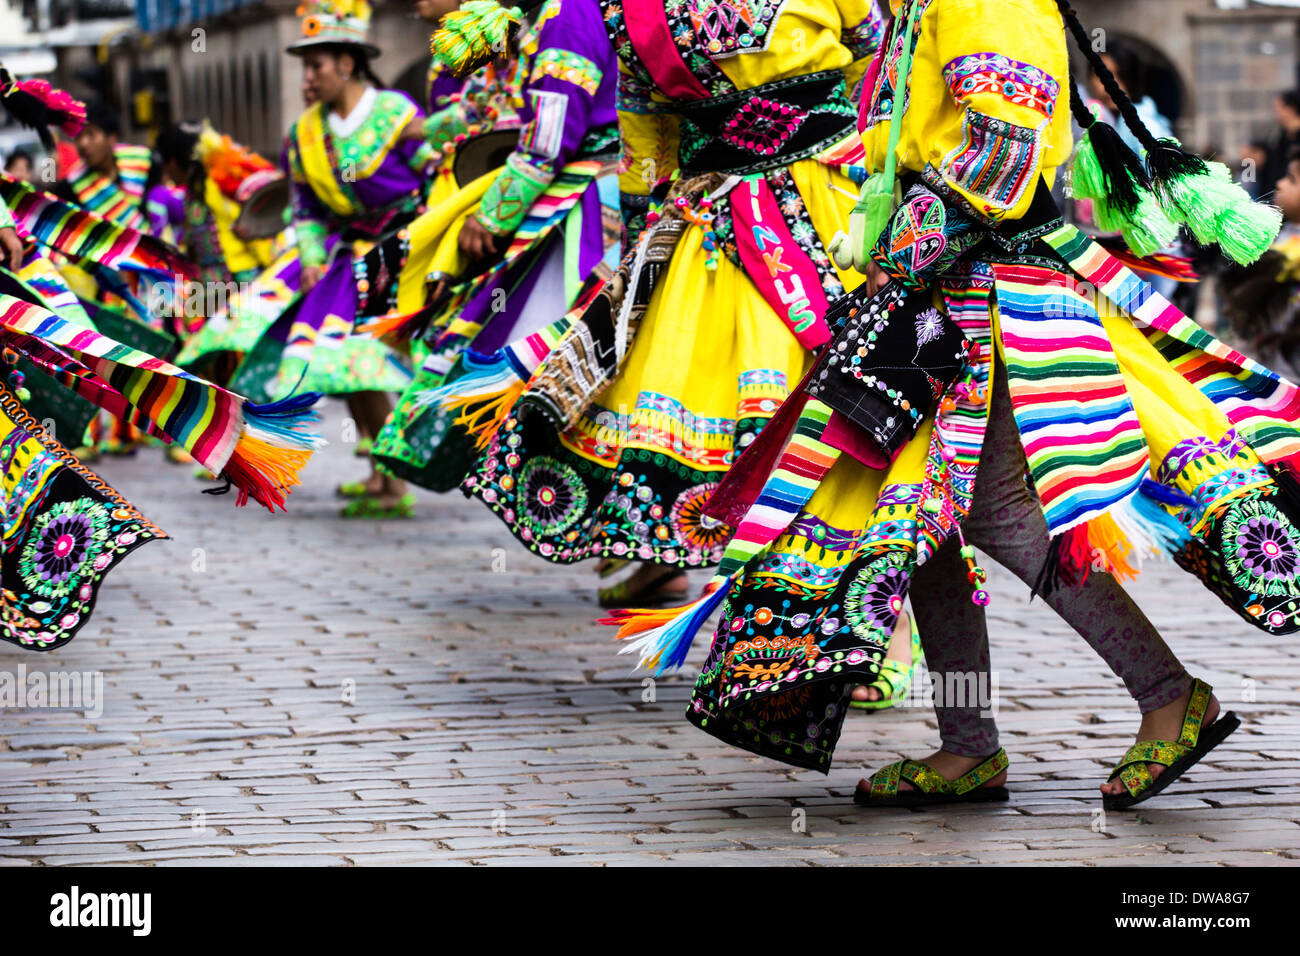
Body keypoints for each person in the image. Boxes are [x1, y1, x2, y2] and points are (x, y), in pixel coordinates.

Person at [611, 0, 1300, 811]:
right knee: (918, 517)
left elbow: (1002, 156)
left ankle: (1164, 697)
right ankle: (971, 742)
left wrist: (894, 261)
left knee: (992, 514)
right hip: (946, 291)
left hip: (984, 292)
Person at [0, 70, 321, 653]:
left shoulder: (171, 188)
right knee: (191, 355)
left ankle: (218, 432)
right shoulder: (126, 187)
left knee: (203, 356)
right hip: (192, 287)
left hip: (220, 286)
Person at [368, 0, 619, 502]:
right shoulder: (564, 14)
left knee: (552, 361)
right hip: (615, 193)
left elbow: (548, 139)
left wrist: (493, 215)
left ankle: (583, 504)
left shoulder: (567, 14)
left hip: (586, 205)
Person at [234, 0, 430, 518]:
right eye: (305, 66)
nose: (309, 76)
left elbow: (436, 177)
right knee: (342, 368)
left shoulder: (398, 114)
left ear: (347, 63)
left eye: (317, 64)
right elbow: (305, 207)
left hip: (404, 249)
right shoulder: (304, 136)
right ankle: (380, 473)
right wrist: (314, 255)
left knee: (369, 366)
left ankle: (395, 480)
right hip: (347, 262)